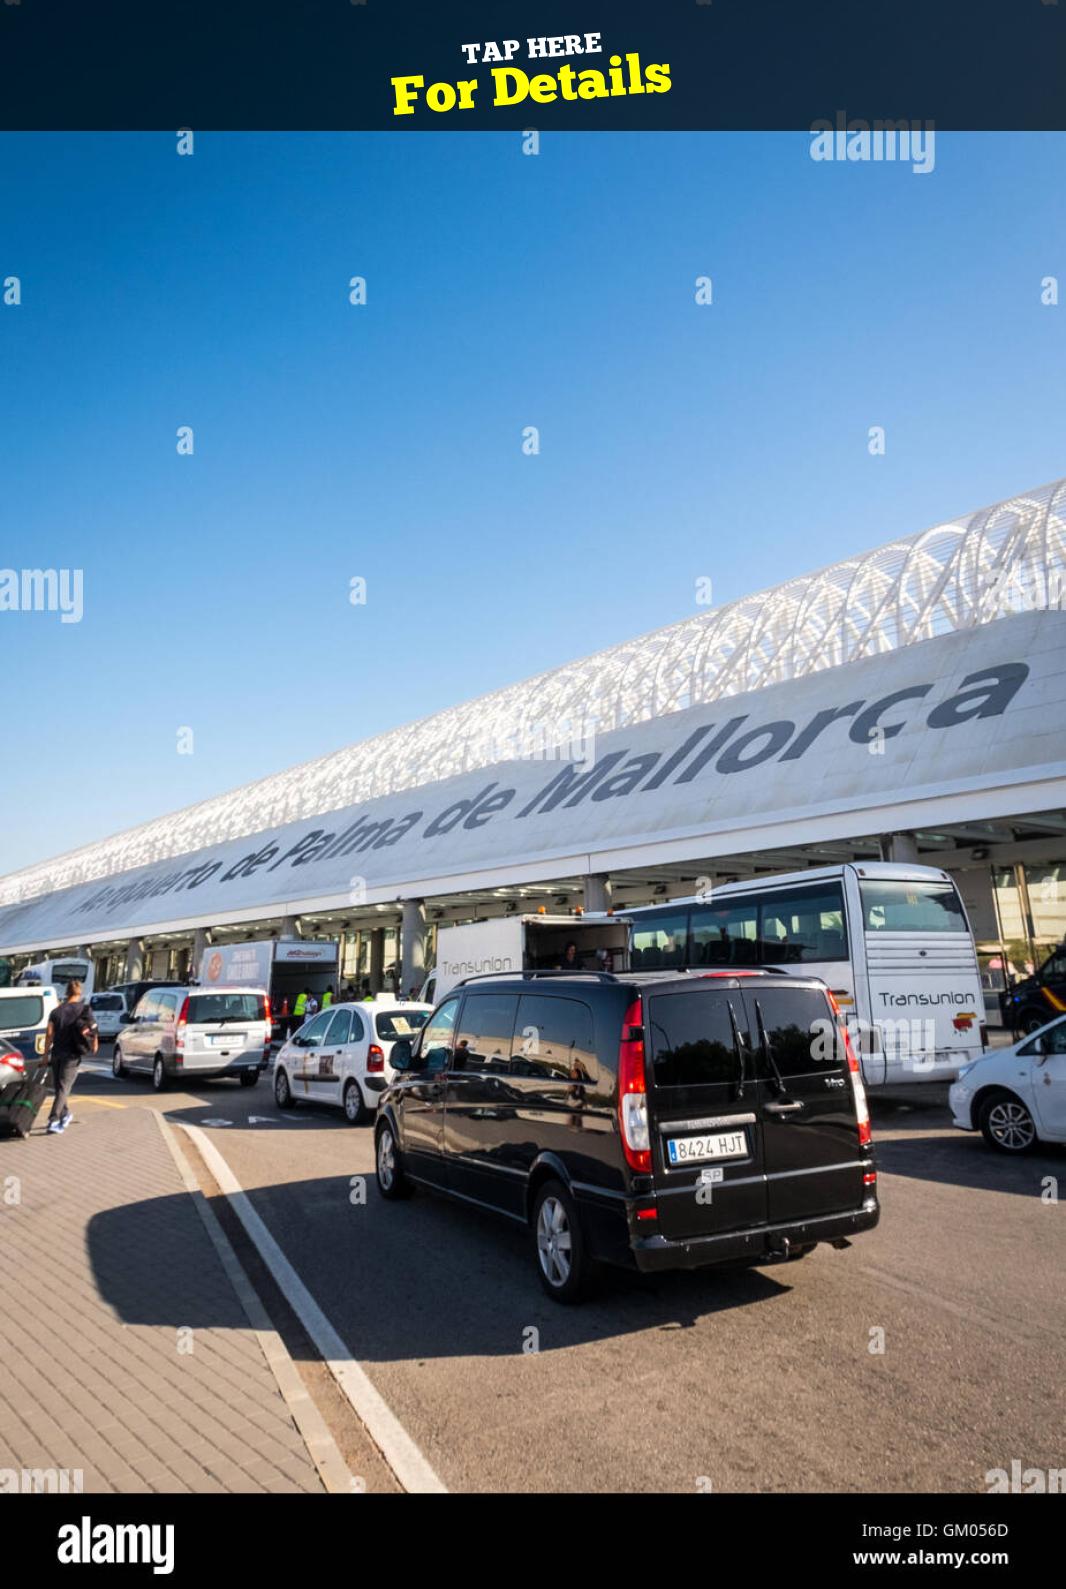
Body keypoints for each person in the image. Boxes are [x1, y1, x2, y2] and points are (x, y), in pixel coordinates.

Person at [43, 978, 97, 1135]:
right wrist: (94, 1044)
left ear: (66, 993)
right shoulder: (84, 1010)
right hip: (72, 1054)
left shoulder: (56, 1011)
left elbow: (49, 1035)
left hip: (57, 1053)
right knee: (63, 1088)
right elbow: (93, 1028)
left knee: (60, 1087)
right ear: (79, 993)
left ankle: (65, 1114)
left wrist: (45, 1056)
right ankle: (54, 1120)